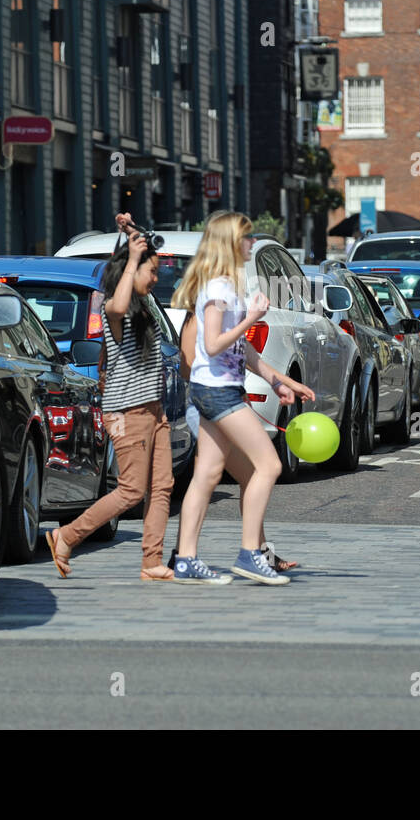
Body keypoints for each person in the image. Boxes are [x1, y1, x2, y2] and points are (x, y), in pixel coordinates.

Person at [169, 211, 315, 585]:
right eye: (247, 238)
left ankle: (185, 558)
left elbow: (244, 352)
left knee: (208, 473)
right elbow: (215, 344)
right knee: (268, 465)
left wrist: (282, 382)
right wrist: (251, 317)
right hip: (217, 393)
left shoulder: (226, 288)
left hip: (213, 390)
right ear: (232, 243)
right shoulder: (217, 290)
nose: (252, 244)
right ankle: (250, 554)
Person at [45, 213, 175, 581]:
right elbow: (118, 305)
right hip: (128, 411)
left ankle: (152, 562)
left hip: (154, 410)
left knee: (161, 486)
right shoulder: (113, 311)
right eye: (151, 271)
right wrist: (133, 259)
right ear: (131, 273)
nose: (156, 277)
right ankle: (66, 535)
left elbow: (138, 268)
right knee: (132, 490)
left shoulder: (145, 307)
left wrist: (132, 233)